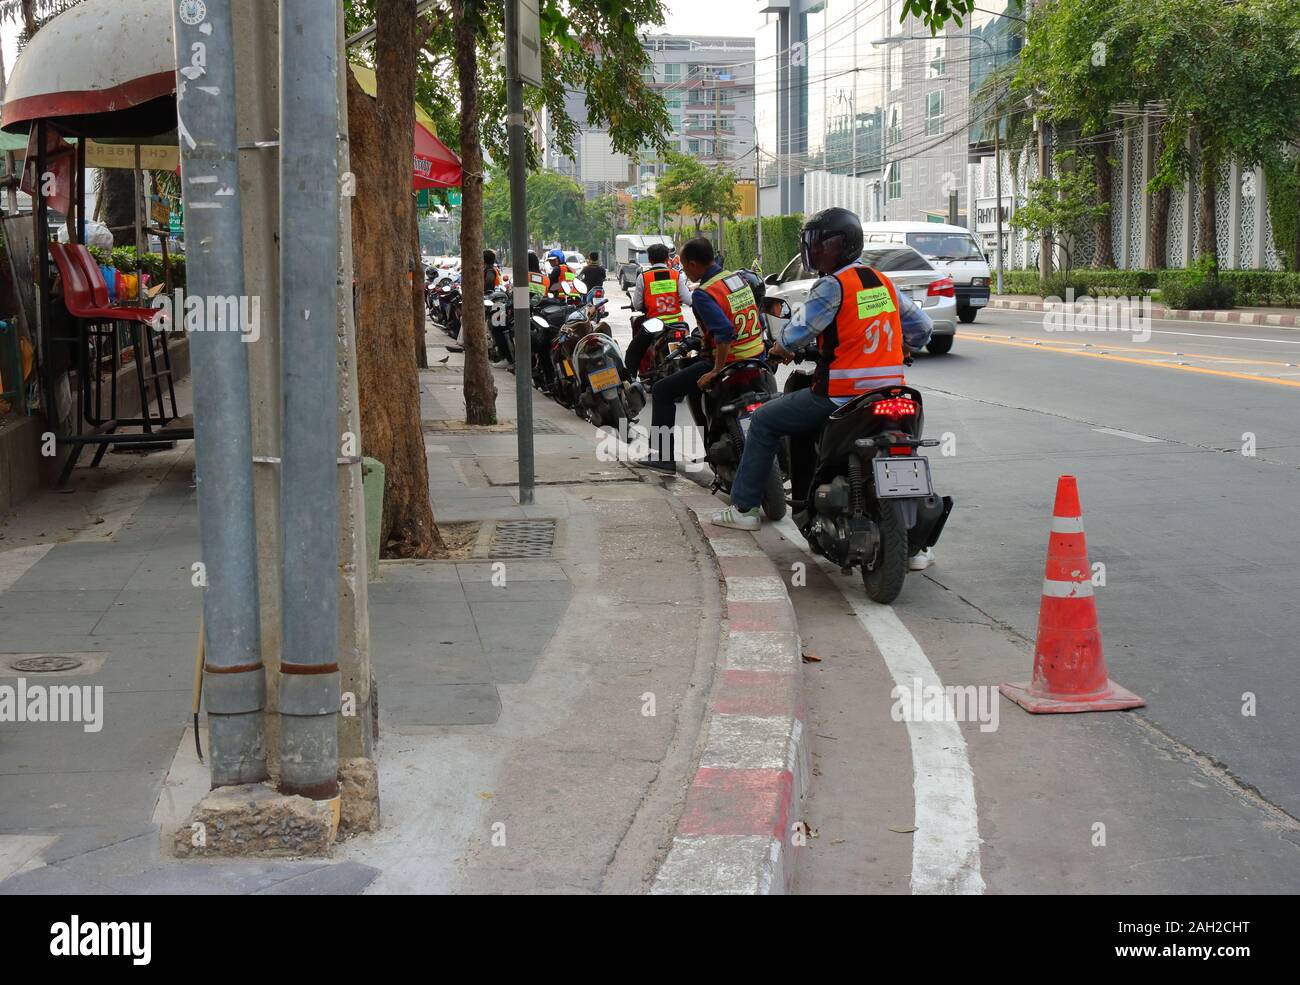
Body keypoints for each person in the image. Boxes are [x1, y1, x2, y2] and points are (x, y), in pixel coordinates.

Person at [709, 207, 935, 572]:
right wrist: (905, 345)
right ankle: (916, 546)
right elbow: (922, 329)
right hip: (893, 394)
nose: (813, 250)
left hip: (840, 396)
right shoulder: (882, 281)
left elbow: (797, 332)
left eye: (817, 243)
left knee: (765, 420)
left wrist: (781, 348)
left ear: (839, 245)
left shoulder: (833, 285)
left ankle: (745, 508)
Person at [632, 237, 765, 474]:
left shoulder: (705, 293)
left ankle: (663, 457)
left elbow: (724, 332)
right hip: (756, 357)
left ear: (693, 264)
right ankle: (710, 444)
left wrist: (715, 370)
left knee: (663, 390)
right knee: (692, 386)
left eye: (683, 263)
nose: (682, 269)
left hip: (729, 361)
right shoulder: (735, 278)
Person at [625, 242, 691, 379]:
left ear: (650, 259)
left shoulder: (643, 277)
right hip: (678, 326)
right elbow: (688, 300)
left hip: (654, 326)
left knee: (633, 352)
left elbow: (637, 305)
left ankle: (631, 382)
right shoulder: (677, 275)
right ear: (668, 258)